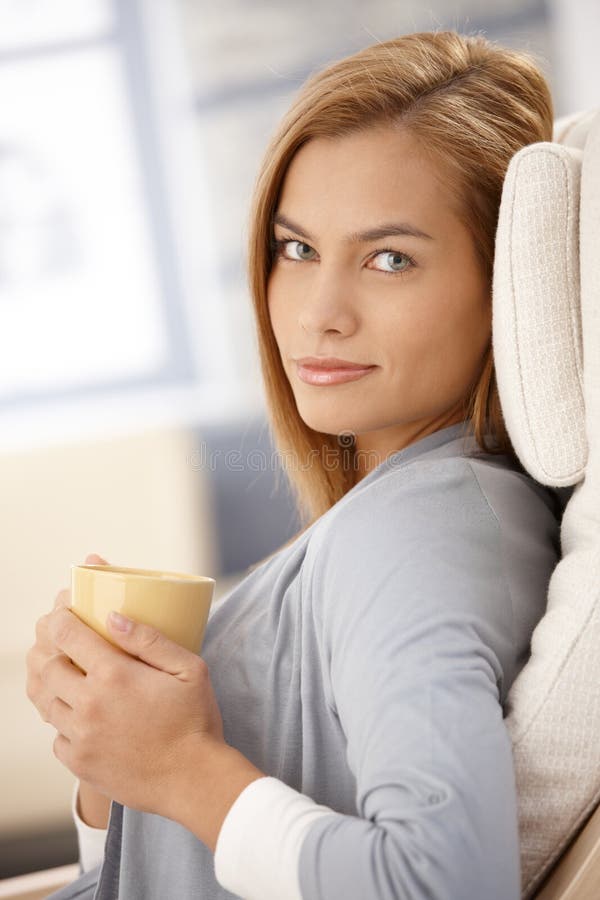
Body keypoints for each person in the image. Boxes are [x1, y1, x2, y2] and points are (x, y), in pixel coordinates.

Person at [26, 29, 564, 900]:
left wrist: (180, 767)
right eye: (297, 249)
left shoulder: (414, 527)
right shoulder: (409, 506)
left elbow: (442, 885)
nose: (320, 312)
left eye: (390, 259)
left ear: (505, 282)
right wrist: (113, 770)